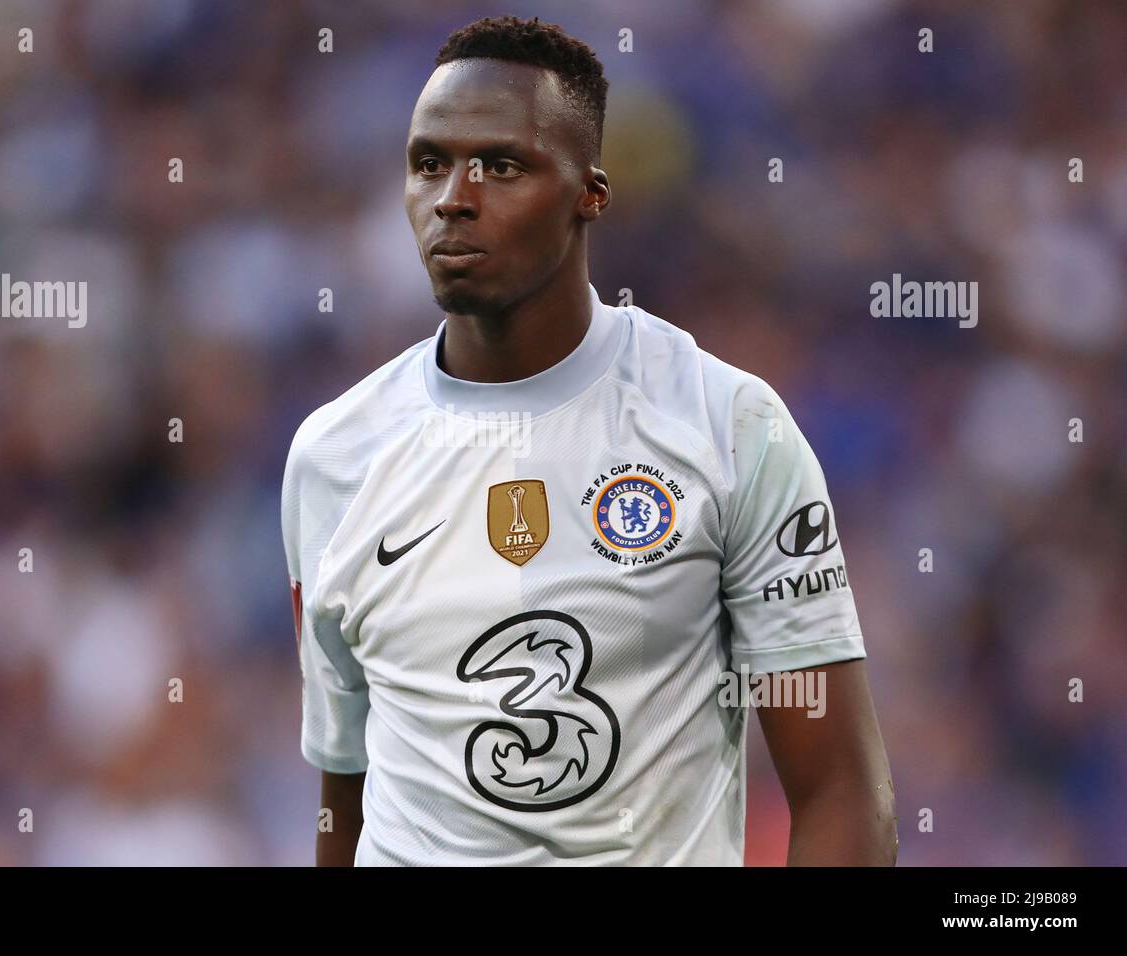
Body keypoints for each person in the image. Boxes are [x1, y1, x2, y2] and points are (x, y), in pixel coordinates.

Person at [281, 14, 896, 866]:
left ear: (591, 193)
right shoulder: (332, 457)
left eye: (502, 165)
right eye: (429, 163)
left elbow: (843, 798)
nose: (454, 196)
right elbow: (342, 802)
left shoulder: (727, 429)